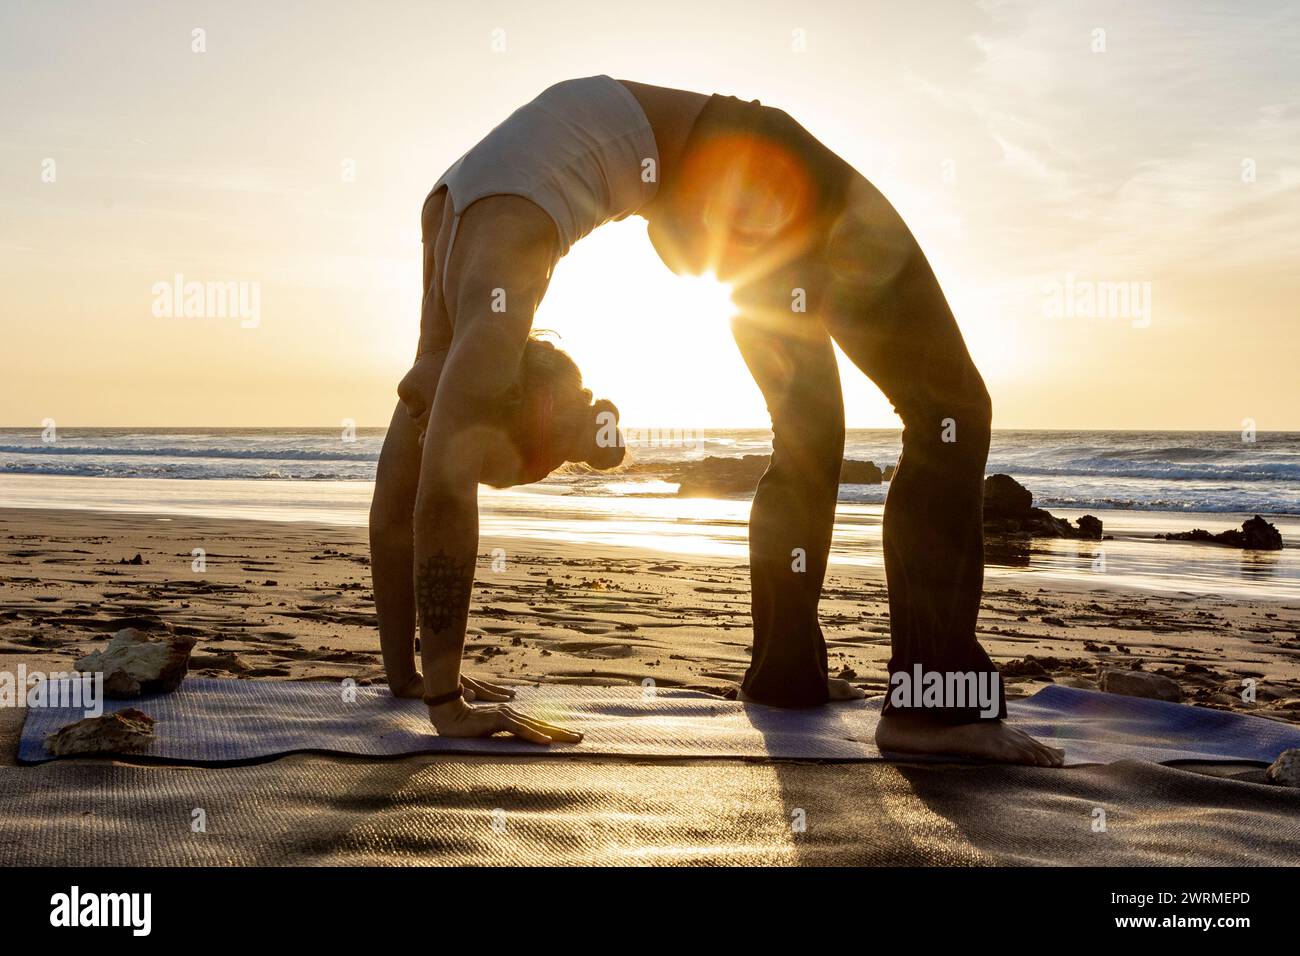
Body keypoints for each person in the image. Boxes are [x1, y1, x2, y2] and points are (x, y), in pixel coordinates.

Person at [370, 75, 1063, 766]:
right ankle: (935, 711)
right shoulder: (454, 259)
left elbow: (437, 495)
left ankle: (786, 679)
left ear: (515, 398)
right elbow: (405, 494)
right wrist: (423, 683)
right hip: (724, 184)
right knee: (948, 409)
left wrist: (440, 698)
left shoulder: (484, 311)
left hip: (732, 180)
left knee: (816, 433)